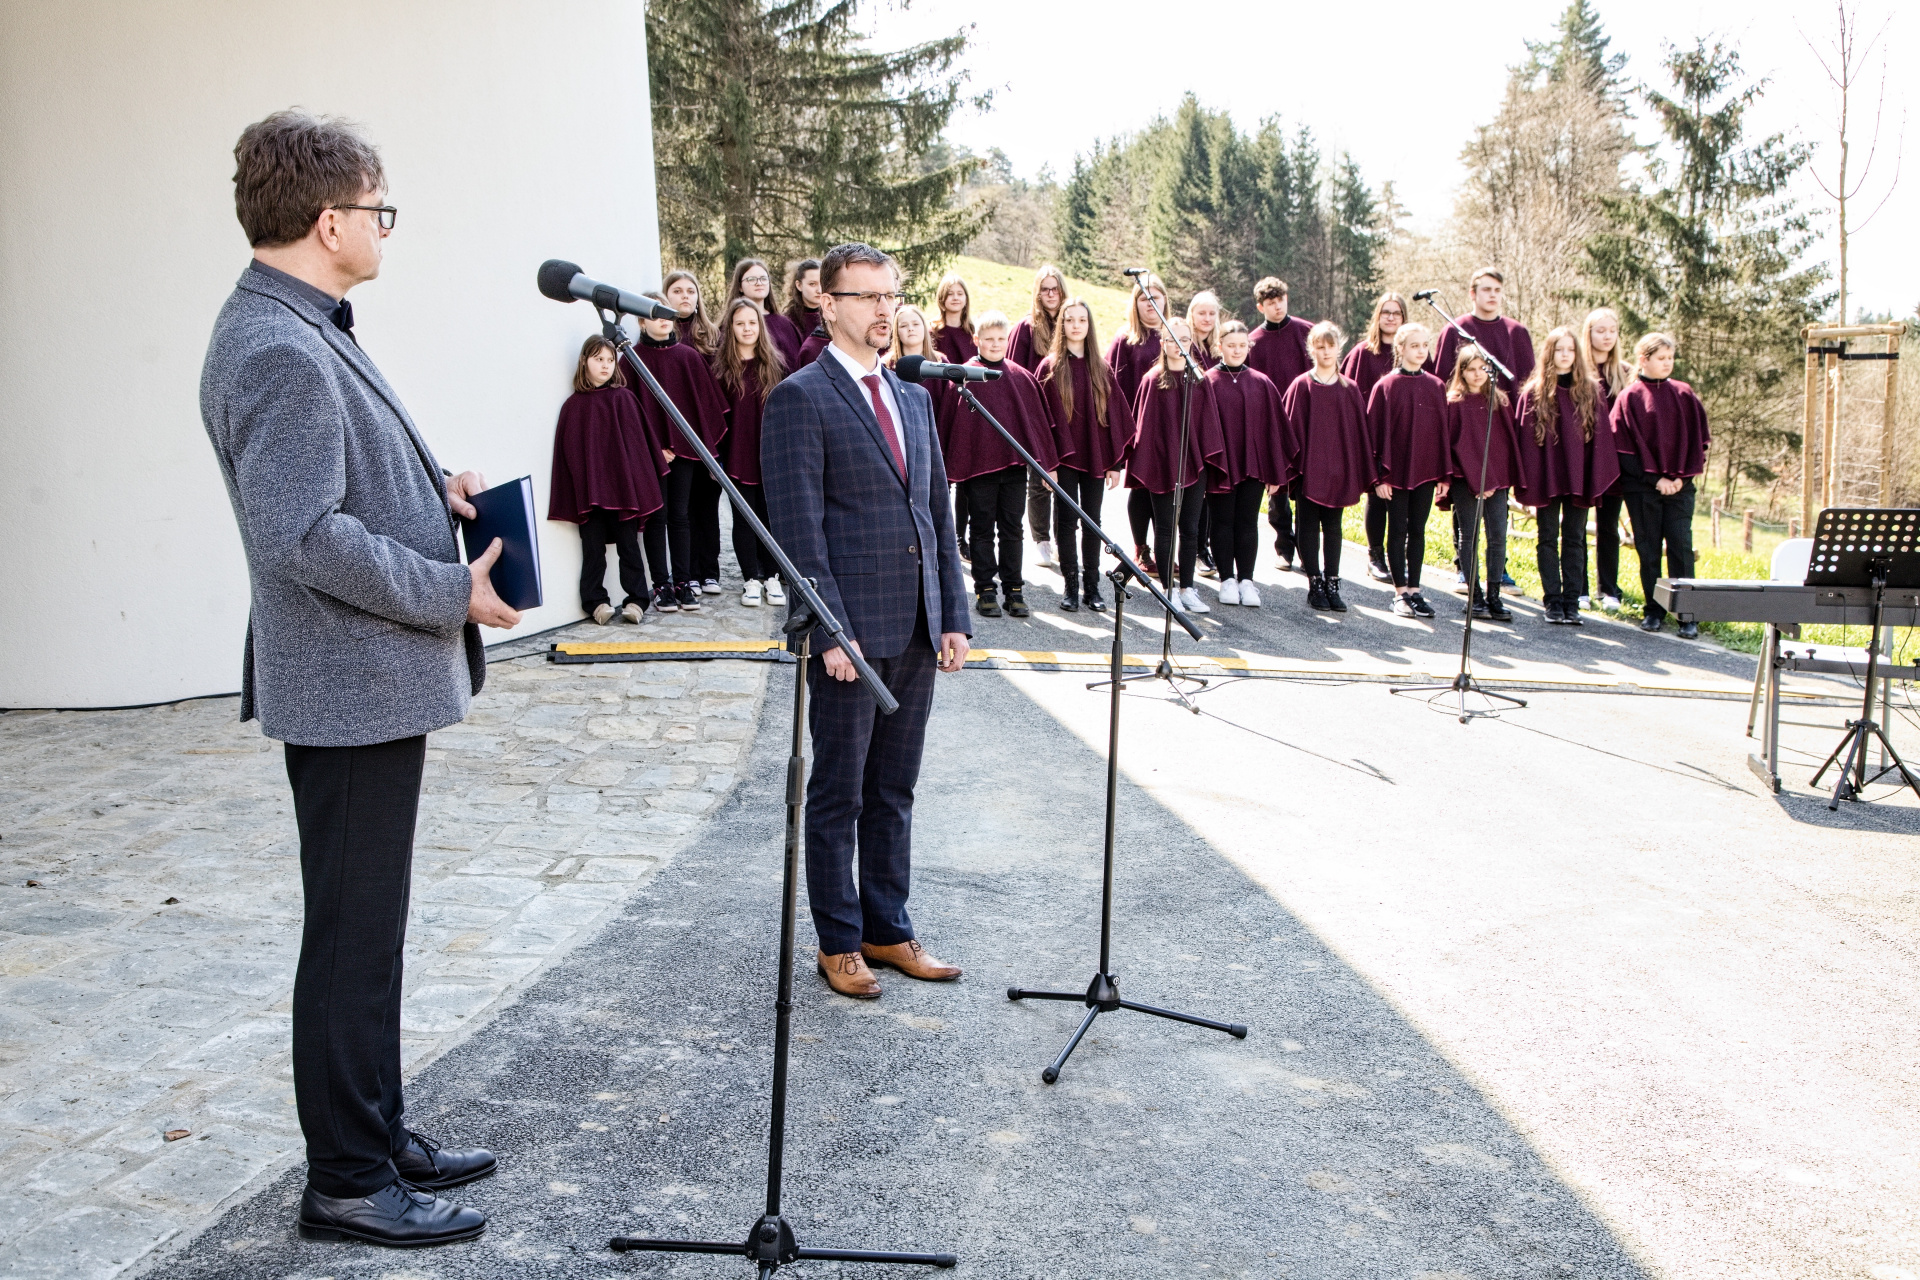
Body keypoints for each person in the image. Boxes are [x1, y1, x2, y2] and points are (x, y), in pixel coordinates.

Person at [200, 109, 506, 1248]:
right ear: (329, 222)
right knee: (350, 937)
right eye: (379, 210)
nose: (386, 228)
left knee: (368, 930)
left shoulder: (296, 321)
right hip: (348, 683)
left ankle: (375, 1131)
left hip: (359, 681)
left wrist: (437, 496)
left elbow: (333, 487)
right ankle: (346, 1177)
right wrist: (448, 588)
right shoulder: (278, 344)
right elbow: (305, 537)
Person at [759, 241, 971, 999]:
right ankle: (839, 940)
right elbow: (797, 531)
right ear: (829, 303)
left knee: (895, 790)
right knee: (840, 792)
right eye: (868, 296)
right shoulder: (800, 398)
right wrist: (825, 629)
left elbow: (936, 516)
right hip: (848, 632)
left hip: (915, 625)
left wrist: (953, 613)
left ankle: (888, 927)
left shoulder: (914, 396)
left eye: (892, 295)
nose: (886, 310)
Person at [937, 311, 1060, 618]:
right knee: (980, 530)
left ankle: (1014, 589)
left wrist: (1046, 463)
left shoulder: (1019, 376)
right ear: (977, 340)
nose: (994, 344)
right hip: (979, 470)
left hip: (1014, 469)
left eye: (1000, 339)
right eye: (988, 339)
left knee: (1012, 529)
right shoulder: (963, 375)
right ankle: (985, 589)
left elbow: (1037, 424)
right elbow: (951, 425)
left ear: (1008, 339)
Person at [550, 335, 669, 624]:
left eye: (609, 359)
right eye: (598, 359)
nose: (604, 365)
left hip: (622, 491)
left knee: (629, 545)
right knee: (592, 548)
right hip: (591, 493)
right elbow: (569, 454)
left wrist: (636, 485)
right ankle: (595, 601)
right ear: (584, 361)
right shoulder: (573, 406)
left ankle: (637, 600)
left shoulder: (624, 398)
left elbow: (638, 447)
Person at [624, 296, 732, 610]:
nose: (662, 320)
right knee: (657, 517)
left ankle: (684, 581)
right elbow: (629, 414)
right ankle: (662, 585)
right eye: (653, 315)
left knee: (680, 516)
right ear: (641, 321)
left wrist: (691, 444)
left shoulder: (688, 357)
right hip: (650, 454)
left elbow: (704, 407)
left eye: (666, 314)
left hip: (684, 452)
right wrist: (655, 447)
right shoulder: (631, 359)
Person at [1036, 297, 1135, 613]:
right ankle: (1071, 586)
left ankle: (1093, 587)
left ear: (1089, 325)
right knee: (1066, 522)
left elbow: (1116, 418)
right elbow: (1041, 422)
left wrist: (1116, 463)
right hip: (1062, 459)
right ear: (1061, 325)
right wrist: (1047, 466)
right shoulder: (1050, 367)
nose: (1076, 325)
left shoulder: (1101, 367)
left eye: (1082, 320)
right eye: (1069, 320)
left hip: (1094, 457)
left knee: (1093, 522)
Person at [1514, 326, 1618, 625]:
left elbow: (1600, 439)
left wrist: (1592, 476)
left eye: (1570, 350)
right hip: (1548, 476)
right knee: (1546, 536)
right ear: (1549, 353)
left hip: (1578, 476)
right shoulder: (1534, 392)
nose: (1565, 355)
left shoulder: (1590, 390)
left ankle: (1572, 601)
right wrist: (1528, 480)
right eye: (1559, 349)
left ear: (1577, 354)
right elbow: (1525, 443)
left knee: (1574, 538)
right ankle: (1553, 601)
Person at [1612, 332, 1710, 638]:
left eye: (1670, 358)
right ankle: (1653, 610)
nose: (1667, 364)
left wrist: (1679, 479)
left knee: (1680, 546)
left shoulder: (1684, 394)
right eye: (1661, 358)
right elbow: (1624, 448)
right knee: (1649, 549)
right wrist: (1655, 480)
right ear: (1644, 360)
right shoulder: (1630, 398)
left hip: (1680, 488)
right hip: (1643, 488)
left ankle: (1687, 613)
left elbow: (1697, 442)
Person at [1127, 317, 1226, 615]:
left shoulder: (1199, 379)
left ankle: (1188, 588)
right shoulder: (1152, 379)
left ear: (1190, 343)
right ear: (1162, 342)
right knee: (1166, 529)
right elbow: (1145, 429)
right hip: (1162, 465)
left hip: (1193, 465)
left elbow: (1208, 424)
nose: (1177, 345)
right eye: (1171, 339)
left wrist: (1203, 457)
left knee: (1191, 529)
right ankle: (1169, 590)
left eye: (1183, 340)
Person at [1280, 322, 1371, 612]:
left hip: (1339, 470)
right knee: (1307, 526)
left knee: (1333, 527)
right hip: (1310, 471)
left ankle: (1333, 582)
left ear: (1338, 347)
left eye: (1330, 345)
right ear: (1312, 350)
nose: (1326, 351)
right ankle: (1314, 582)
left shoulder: (1350, 389)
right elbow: (1291, 430)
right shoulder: (1302, 386)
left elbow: (1357, 434)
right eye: (1320, 346)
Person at [1204, 320, 1289, 606]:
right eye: (1231, 345)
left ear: (1248, 346)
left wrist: (1274, 470)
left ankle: (1247, 580)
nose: (1237, 350)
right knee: (1222, 520)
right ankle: (1226, 578)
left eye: (1242, 345)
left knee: (1248, 522)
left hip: (1252, 466)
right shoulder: (1208, 382)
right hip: (1220, 465)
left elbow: (1273, 430)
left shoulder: (1261, 383)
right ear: (1220, 347)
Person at [1368, 323, 1449, 619]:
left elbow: (1442, 433)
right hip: (1395, 473)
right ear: (1400, 349)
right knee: (1397, 529)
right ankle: (1399, 592)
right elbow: (1373, 436)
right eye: (1414, 345)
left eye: (1424, 345)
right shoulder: (1386, 386)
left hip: (1425, 470)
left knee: (1418, 529)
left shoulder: (1436, 386)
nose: (1420, 351)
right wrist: (1378, 477)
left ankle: (1415, 590)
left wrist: (1443, 474)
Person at [714, 297, 790, 608]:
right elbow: (716, 416)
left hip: (771, 455)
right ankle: (750, 579)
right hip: (737, 455)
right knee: (744, 519)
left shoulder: (776, 365)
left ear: (761, 326)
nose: (747, 328)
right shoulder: (721, 370)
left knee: (771, 518)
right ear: (730, 328)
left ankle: (771, 576)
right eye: (740, 323)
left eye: (752, 323)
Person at [1443, 345, 1521, 622]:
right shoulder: (1453, 403)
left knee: (1498, 537)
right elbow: (1454, 446)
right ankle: (1475, 595)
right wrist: (1476, 480)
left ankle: (1494, 596)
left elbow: (1503, 447)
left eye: (1482, 369)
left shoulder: (1498, 402)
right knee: (1470, 536)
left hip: (1496, 482)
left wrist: (1493, 480)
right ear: (1461, 372)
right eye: (1471, 369)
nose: (1477, 375)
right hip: (1466, 481)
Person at [1246, 277, 1314, 572]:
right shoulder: (1253, 342)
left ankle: (1308, 547)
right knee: (1278, 488)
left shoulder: (1305, 332)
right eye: (1270, 303)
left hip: (1305, 419)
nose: (1277, 307)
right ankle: (1284, 546)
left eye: (1281, 301)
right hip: (1272, 422)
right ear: (1261, 306)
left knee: (1307, 487)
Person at [1107, 273, 1169, 574]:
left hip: (1169, 427)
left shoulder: (1174, 335)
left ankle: (1165, 550)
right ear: (1135, 304)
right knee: (1143, 486)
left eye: (1155, 297)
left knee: (1166, 489)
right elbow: (1112, 385)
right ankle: (1141, 548)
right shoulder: (1126, 339)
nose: (1150, 304)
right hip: (1138, 425)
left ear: (1165, 300)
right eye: (1144, 298)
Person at [1344, 291, 1408, 582]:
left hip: (1404, 436)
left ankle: (1399, 555)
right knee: (1376, 495)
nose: (1391, 317)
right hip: (1372, 434)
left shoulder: (1413, 350)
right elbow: (1347, 393)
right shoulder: (1363, 353)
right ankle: (1375, 555)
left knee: (1401, 498)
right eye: (1386, 312)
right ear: (1377, 317)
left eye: (1397, 313)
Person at [1008, 265, 1067, 570]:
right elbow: (1012, 372)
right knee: (1039, 478)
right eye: (1044, 289)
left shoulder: (1070, 323)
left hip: (1066, 411)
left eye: (1055, 288)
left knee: (1065, 477)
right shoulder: (1026, 328)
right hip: (1035, 411)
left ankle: (1062, 539)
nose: (1050, 295)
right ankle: (1040, 538)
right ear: (1037, 292)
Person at [1581, 307, 1631, 611]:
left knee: (1609, 526)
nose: (1607, 336)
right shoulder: (1577, 369)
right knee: (1575, 527)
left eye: (1612, 330)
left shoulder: (1625, 372)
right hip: (1584, 458)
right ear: (1589, 333)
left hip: (1613, 462)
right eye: (1601, 330)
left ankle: (1608, 588)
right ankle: (1579, 588)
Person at [1430, 266, 1535, 395]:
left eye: (1497, 290)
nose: (1492, 295)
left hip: (1508, 412)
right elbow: (1442, 381)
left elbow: (1529, 382)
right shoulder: (1454, 329)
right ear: (1472, 293)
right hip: (1465, 412)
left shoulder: (1516, 331)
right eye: (1486, 290)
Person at [728, 257, 804, 368]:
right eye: (751, 279)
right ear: (740, 286)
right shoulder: (730, 326)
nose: (759, 283)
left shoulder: (785, 325)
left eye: (763, 278)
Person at [663, 269, 718, 354]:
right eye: (677, 291)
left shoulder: (713, 333)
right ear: (665, 296)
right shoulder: (658, 333)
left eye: (691, 292)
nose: (685, 296)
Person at [930, 271, 978, 365]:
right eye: (950, 294)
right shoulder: (932, 333)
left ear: (966, 299)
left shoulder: (973, 333)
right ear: (942, 298)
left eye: (960, 294)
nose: (955, 298)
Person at [784, 257, 823, 334]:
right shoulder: (789, 320)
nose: (819, 290)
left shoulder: (834, 316)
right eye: (812, 284)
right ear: (799, 285)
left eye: (822, 283)